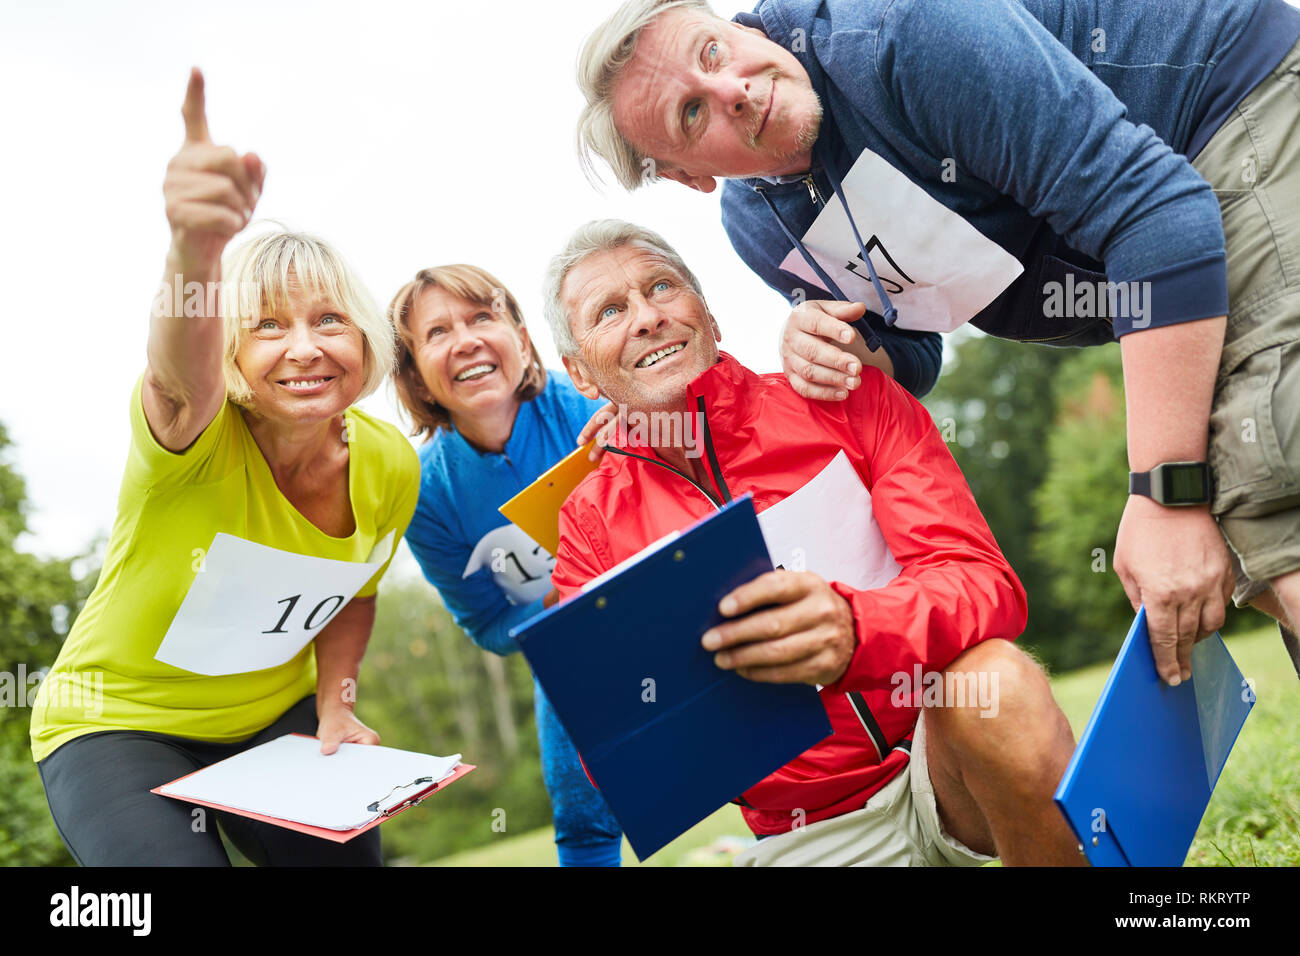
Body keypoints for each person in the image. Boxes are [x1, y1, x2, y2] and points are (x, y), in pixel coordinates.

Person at [573, 0, 1300, 684]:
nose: (731, 89)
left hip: (1229, 113)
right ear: (686, 176)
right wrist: (849, 355)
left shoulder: (896, 31)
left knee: (1261, 489)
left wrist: (1162, 494)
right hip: (1157, 254)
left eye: (714, 50)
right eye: (692, 112)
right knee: (1250, 520)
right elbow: (915, 352)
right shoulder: (763, 228)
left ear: (743, 27)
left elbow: (1154, 213)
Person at [541, 218, 1083, 866]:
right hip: (807, 836)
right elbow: (618, 753)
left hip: (943, 771)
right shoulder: (588, 526)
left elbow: (981, 583)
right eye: (610, 310)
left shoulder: (844, 398)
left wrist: (858, 629)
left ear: (709, 316)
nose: (648, 317)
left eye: (662, 287)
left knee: (1001, 685)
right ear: (579, 372)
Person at [28, 69, 420, 866]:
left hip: (270, 723)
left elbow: (356, 592)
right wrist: (194, 249)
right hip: (119, 725)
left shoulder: (388, 465)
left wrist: (335, 705)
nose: (305, 348)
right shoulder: (191, 435)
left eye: (330, 320)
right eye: (267, 325)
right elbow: (178, 371)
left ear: (367, 337)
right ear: (232, 347)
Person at [390, 264, 625, 867]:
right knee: (582, 821)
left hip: (671, 624)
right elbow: (487, 625)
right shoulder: (425, 494)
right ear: (415, 377)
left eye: (482, 317)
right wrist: (550, 607)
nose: (466, 339)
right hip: (566, 660)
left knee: (757, 763)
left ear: (521, 338)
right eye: (437, 332)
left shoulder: (594, 417)